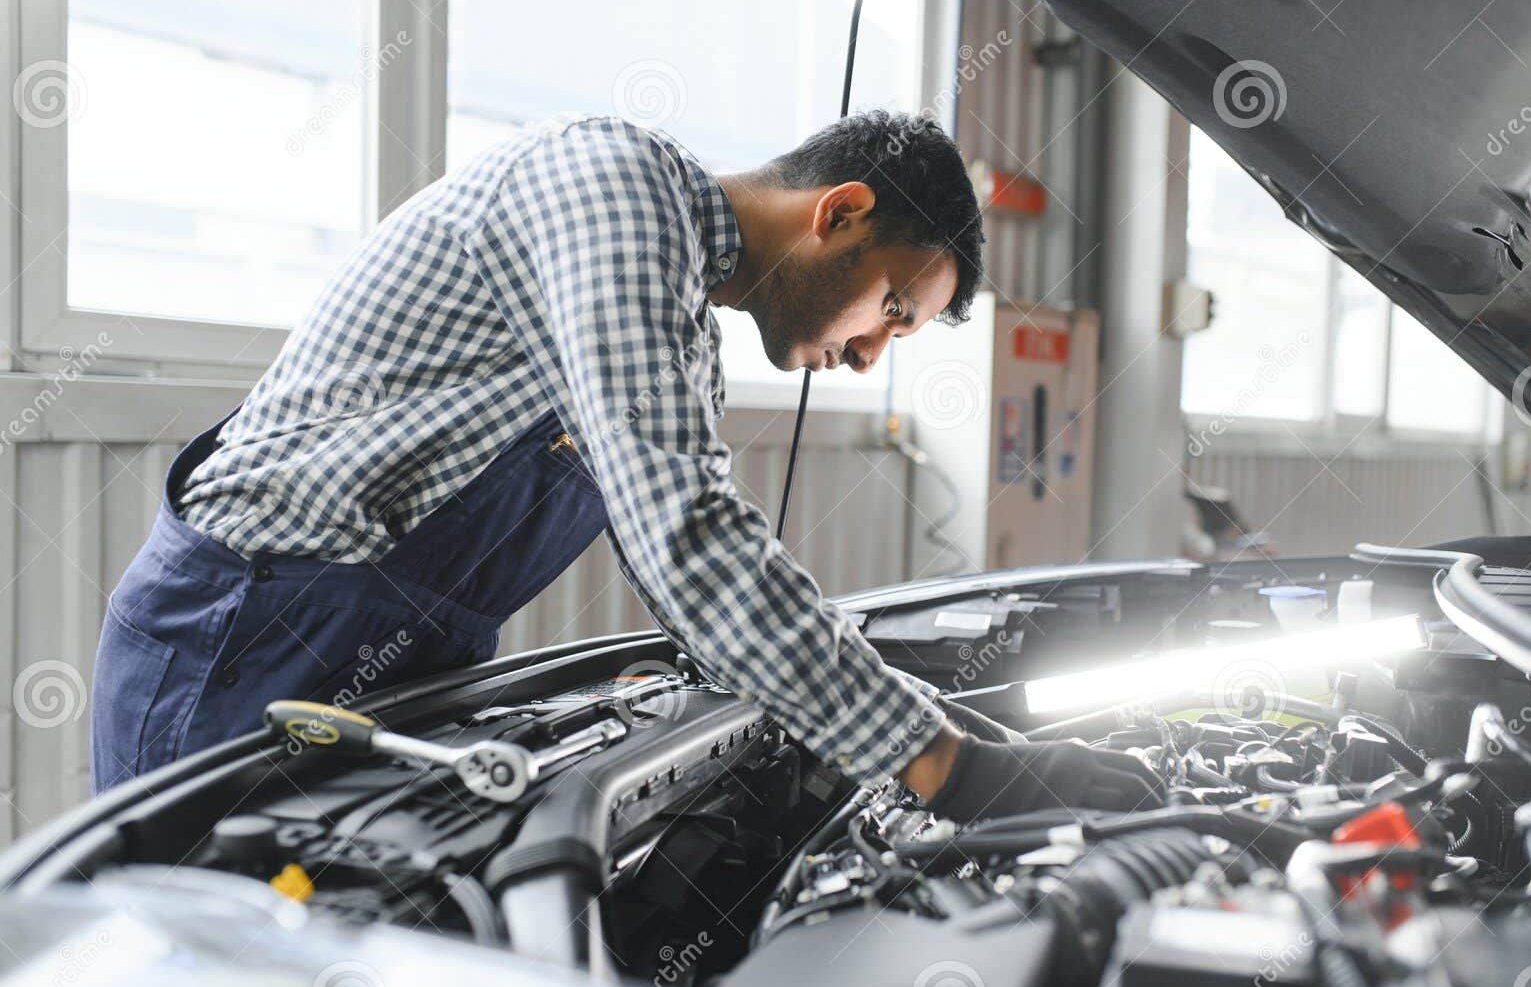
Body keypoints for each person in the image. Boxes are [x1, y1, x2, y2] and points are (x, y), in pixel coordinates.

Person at [91, 109, 1161, 820]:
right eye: (889, 307)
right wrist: (943, 766)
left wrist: (929, 720)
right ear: (840, 212)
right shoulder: (613, 190)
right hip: (244, 635)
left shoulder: (685, 325)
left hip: (379, 663)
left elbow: (708, 538)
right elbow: (688, 541)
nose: (871, 352)